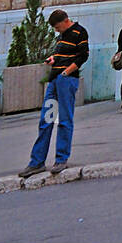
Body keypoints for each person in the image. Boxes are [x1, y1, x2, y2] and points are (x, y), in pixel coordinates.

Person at [19, 9, 89, 177]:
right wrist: (53, 59)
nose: (57, 31)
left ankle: (61, 159)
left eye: (58, 27)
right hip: (54, 81)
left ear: (66, 21)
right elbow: (61, 54)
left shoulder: (80, 32)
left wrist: (66, 72)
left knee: (64, 120)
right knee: (46, 119)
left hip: (66, 80)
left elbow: (82, 56)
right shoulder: (61, 36)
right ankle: (37, 162)